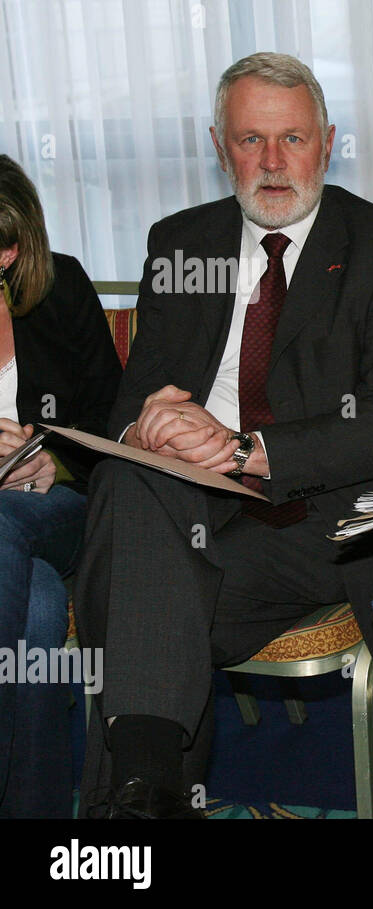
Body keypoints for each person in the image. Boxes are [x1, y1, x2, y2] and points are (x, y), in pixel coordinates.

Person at [74, 52, 373, 818]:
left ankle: (140, 795)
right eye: (249, 141)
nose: (272, 163)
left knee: (140, 588)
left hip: (316, 516)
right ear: (217, 143)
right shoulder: (182, 242)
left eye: (292, 140)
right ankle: (154, 796)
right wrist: (154, 426)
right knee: (130, 476)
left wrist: (245, 449)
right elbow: (130, 407)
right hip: (185, 501)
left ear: (327, 141)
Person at [0, 155, 121, 817]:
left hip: (61, 505)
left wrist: (54, 460)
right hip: (21, 559)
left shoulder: (61, 289)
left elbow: (113, 419)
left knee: (6, 522)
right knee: (41, 607)